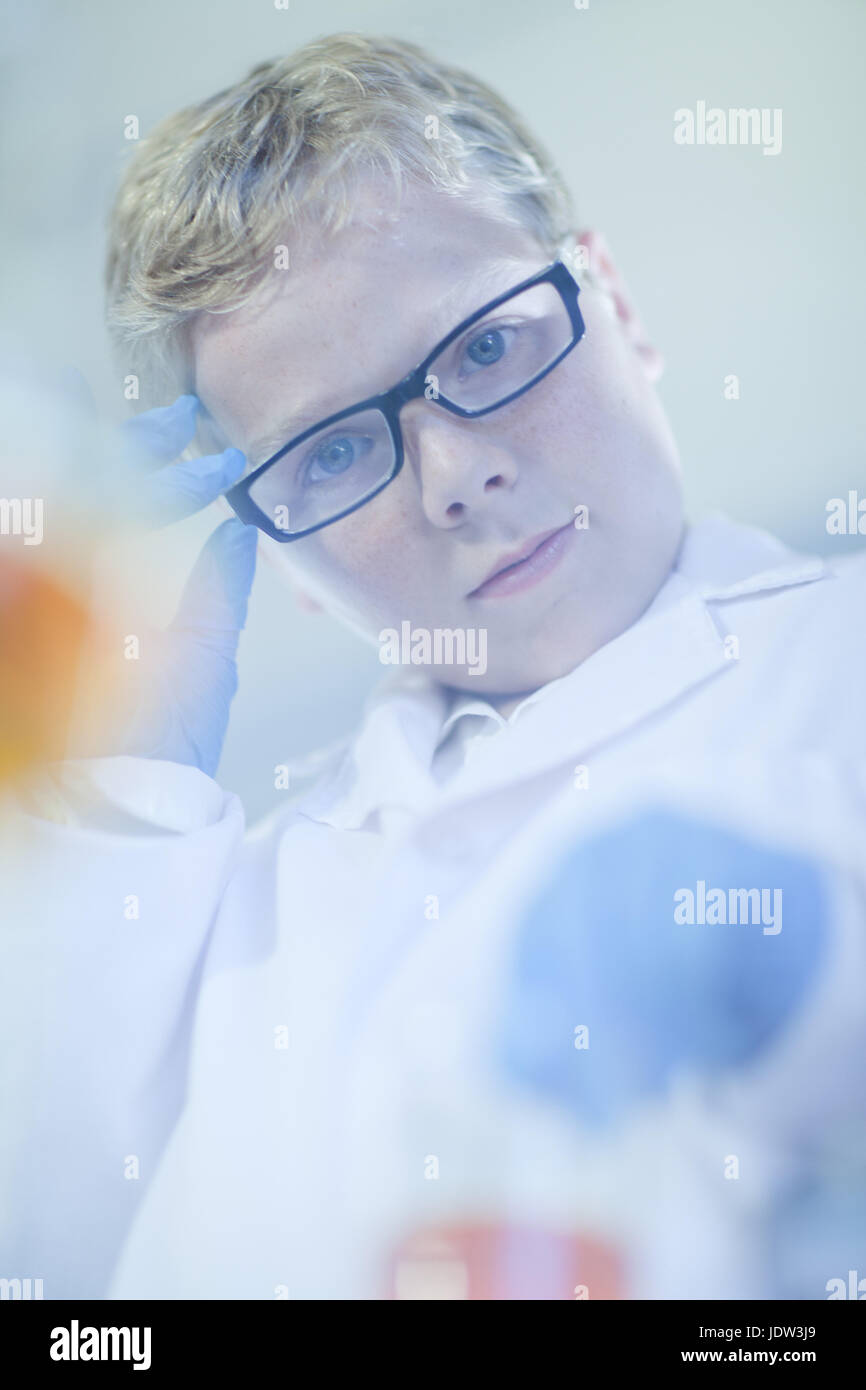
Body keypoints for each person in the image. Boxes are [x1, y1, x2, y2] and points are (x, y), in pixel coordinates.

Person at [4, 33, 865, 1300]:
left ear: (611, 301)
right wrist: (98, 815)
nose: (456, 480)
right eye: (336, 453)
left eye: (482, 349)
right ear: (284, 555)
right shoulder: (211, 924)